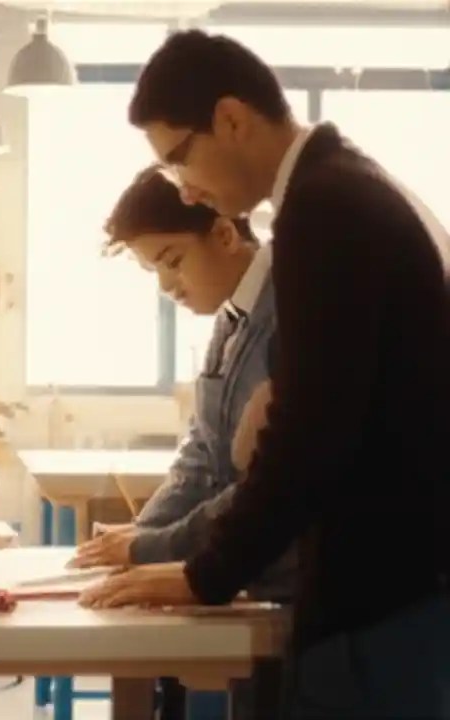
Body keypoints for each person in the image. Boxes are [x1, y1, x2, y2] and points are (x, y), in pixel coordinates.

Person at [78, 30, 450, 719]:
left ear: (231, 119)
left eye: (178, 160)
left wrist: (206, 573)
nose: (185, 187)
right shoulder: (343, 186)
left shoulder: (324, 207)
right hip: (395, 583)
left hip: (379, 590)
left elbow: (314, 432)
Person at [70, 165, 294, 603]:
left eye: (172, 261)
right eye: (154, 270)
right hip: (244, 567)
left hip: (286, 579)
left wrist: (152, 546)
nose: (167, 286)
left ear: (225, 236)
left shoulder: (288, 313)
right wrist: (140, 537)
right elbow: (200, 456)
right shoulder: (231, 319)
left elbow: (264, 482)